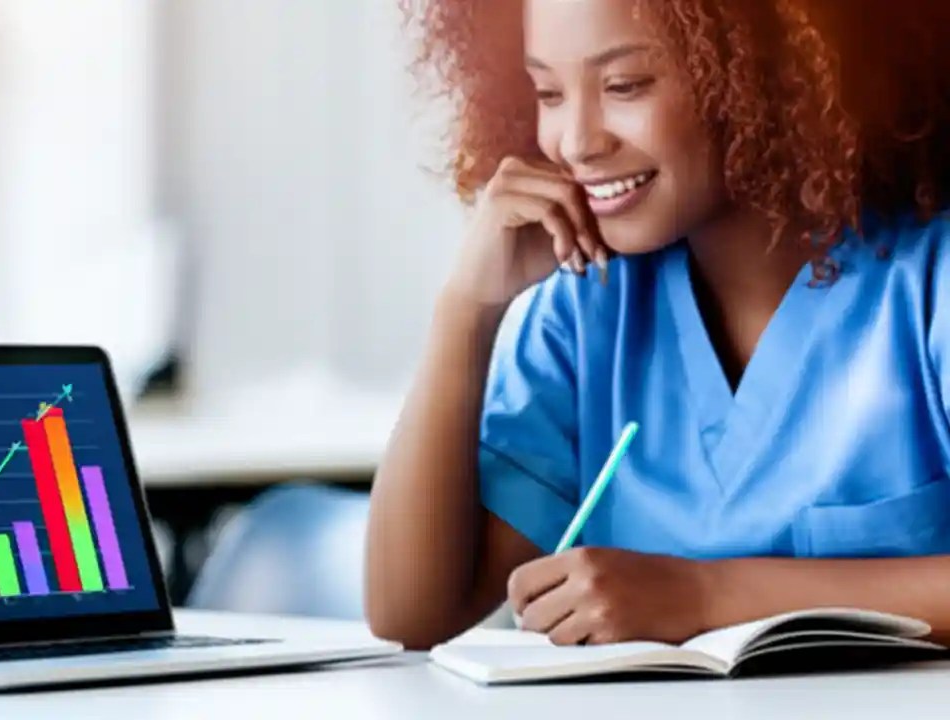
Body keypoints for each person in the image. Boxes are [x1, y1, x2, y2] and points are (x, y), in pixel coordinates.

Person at [365, 0, 950, 650]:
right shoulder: (588, 307)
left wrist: (704, 595)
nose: (577, 141)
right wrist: (466, 310)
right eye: (549, 93)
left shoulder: (930, 284)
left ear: (772, 72)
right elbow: (410, 615)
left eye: (625, 86)